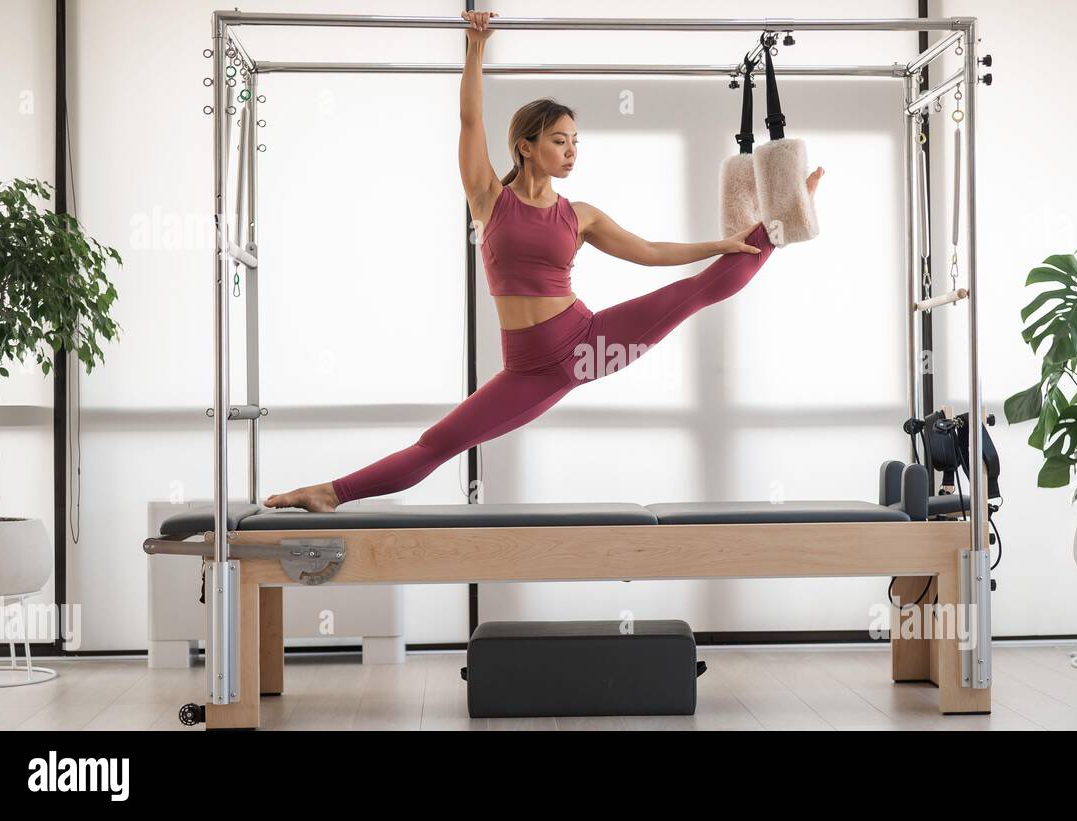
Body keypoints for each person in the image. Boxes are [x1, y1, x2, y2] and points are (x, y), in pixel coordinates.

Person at [265, 9, 824, 512]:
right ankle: (329, 493)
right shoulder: (489, 198)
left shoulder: (580, 215)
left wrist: (717, 244)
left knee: (696, 291)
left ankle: (784, 217)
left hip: (585, 345)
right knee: (437, 444)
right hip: (527, 369)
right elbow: (468, 124)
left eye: (577, 142)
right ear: (526, 145)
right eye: (560, 141)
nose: (572, 151)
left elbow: (651, 253)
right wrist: (475, 48)